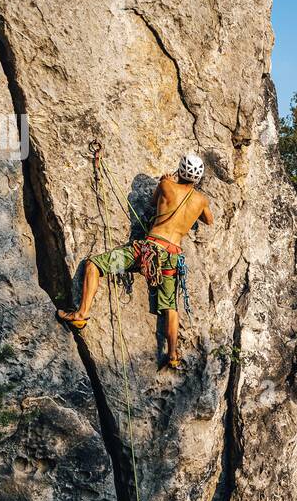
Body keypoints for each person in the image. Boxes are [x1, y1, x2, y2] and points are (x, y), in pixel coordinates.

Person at [58, 151, 213, 368]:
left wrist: (165, 180)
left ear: (180, 169)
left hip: (146, 251)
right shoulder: (201, 201)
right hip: (171, 258)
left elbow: (151, 203)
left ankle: (81, 314)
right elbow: (209, 220)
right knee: (170, 307)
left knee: (94, 264)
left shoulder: (167, 185)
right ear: (198, 177)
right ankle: (173, 354)